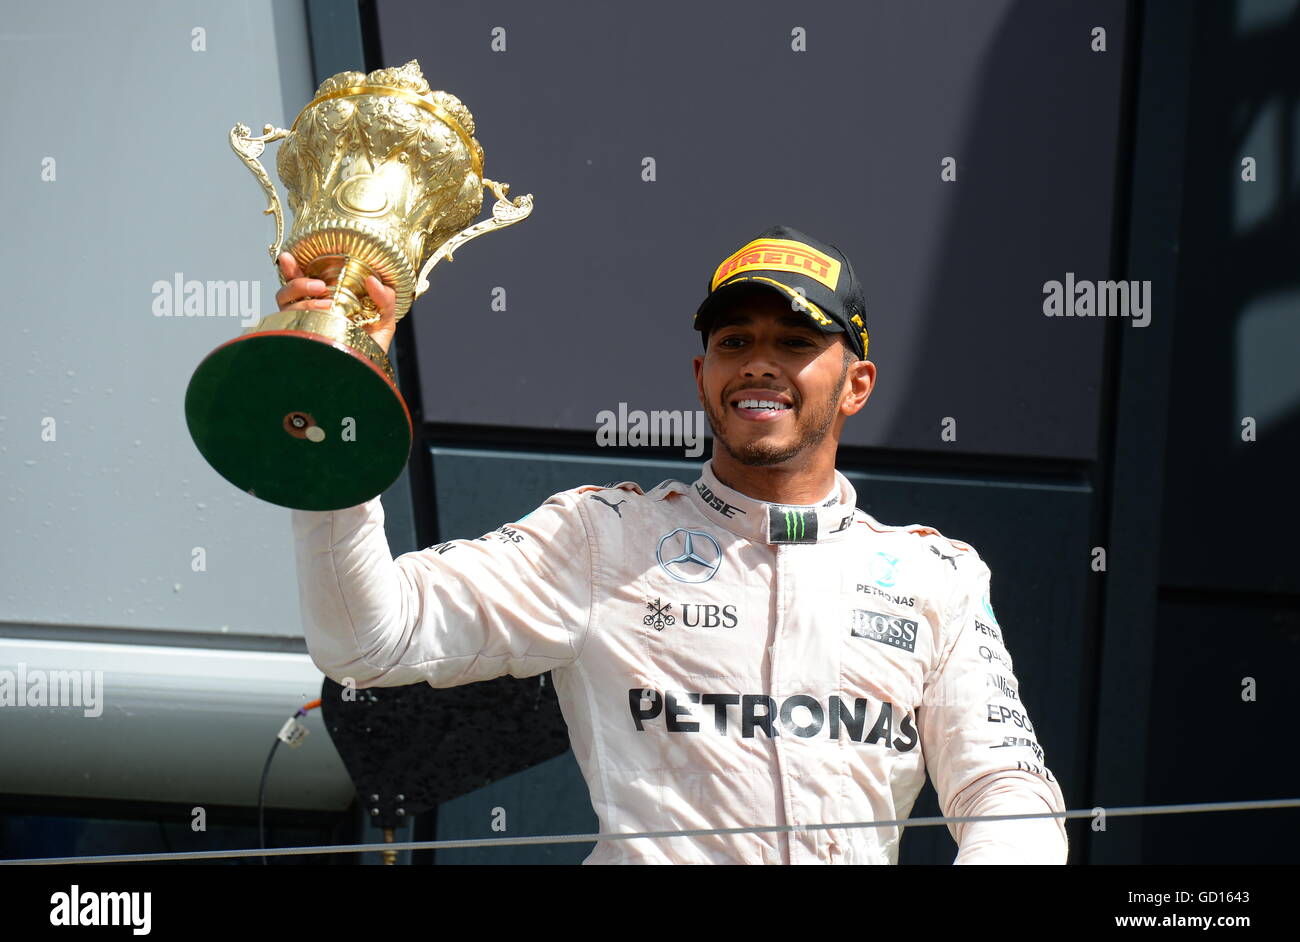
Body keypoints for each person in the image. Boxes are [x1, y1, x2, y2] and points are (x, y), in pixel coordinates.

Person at [284, 225, 1069, 864]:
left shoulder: (938, 576)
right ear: (702, 374)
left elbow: (1009, 794)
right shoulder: (602, 537)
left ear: (857, 385)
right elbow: (365, 637)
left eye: (796, 341)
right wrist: (336, 403)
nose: (760, 360)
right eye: (735, 341)